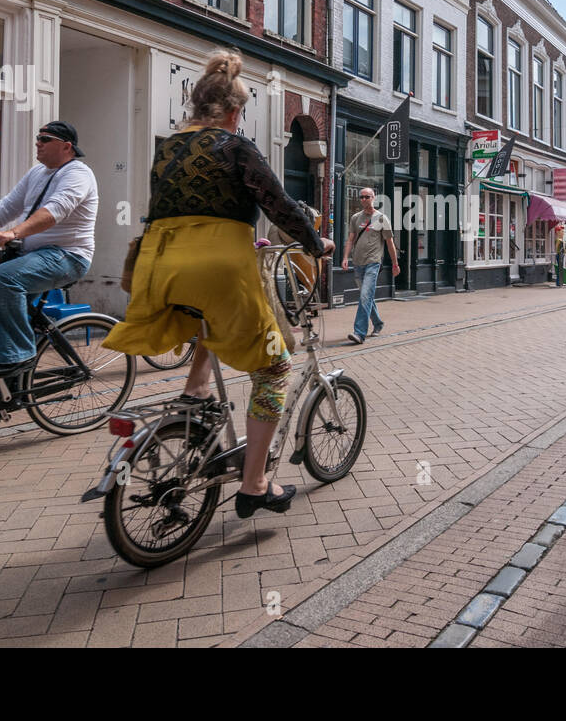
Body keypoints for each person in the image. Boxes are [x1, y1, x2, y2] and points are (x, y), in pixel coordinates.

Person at [103, 52, 335, 518]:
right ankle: (255, 483)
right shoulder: (236, 146)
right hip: (219, 265)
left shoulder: (166, 148)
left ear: (194, 106)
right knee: (273, 369)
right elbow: (278, 202)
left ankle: (196, 390)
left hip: (159, 264)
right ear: (235, 111)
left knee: (210, 317)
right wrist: (316, 243)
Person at [0, 121, 97, 381]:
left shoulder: (78, 174)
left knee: (3, 277)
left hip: (68, 256)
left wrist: (13, 233)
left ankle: (21, 354)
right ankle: (1, 389)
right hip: (34, 258)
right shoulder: (37, 173)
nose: (38, 143)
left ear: (66, 147)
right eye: (38, 138)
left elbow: (55, 211)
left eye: (45, 139)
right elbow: (6, 207)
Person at [342, 187, 400, 344]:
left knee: (365, 296)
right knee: (366, 297)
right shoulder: (355, 218)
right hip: (358, 263)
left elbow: (390, 243)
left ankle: (359, 333)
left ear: (374, 198)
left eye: (367, 197)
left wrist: (395, 263)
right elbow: (350, 239)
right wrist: (345, 257)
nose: (363, 200)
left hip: (373, 263)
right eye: (361, 197)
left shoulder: (381, 219)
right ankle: (378, 323)